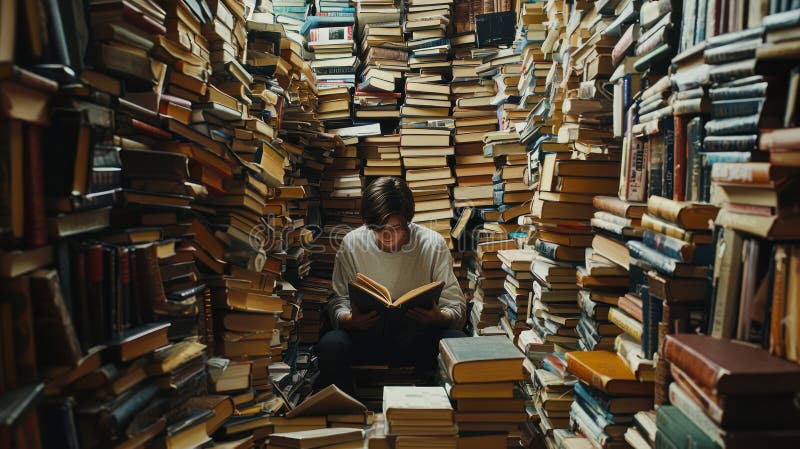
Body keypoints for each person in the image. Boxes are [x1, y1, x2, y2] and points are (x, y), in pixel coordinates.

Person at [314, 176, 467, 394]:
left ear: (408, 222)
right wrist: (349, 319)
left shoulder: (432, 244)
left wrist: (440, 317)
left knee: (458, 343)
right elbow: (338, 302)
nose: (386, 235)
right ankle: (346, 416)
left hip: (418, 340)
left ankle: (439, 414)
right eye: (377, 228)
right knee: (331, 345)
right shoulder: (352, 243)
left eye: (395, 227)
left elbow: (456, 306)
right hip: (367, 338)